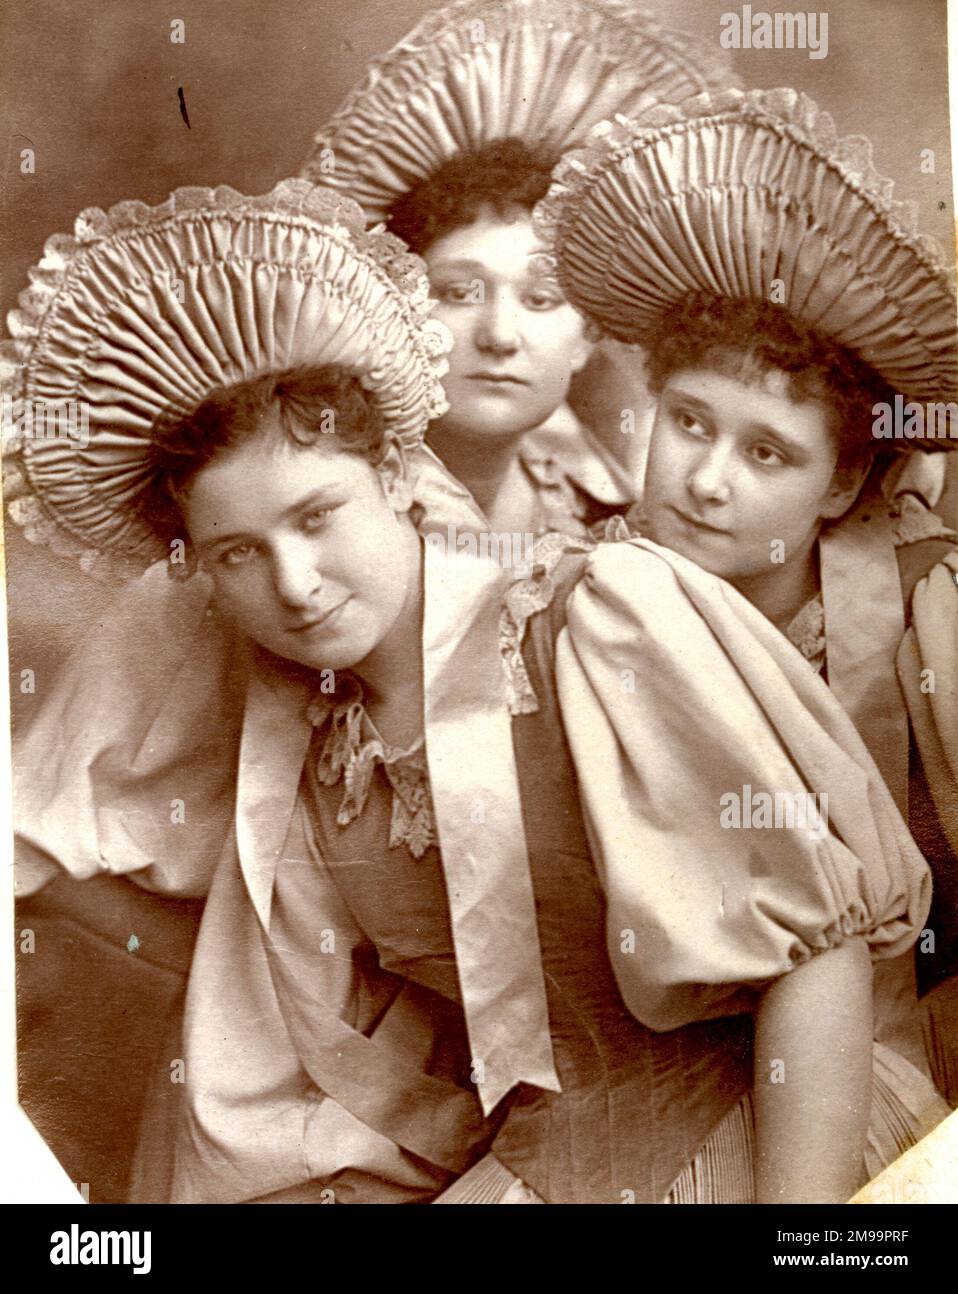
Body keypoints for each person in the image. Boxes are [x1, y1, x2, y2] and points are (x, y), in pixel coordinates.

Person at [6, 178, 942, 1204]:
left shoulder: (598, 616)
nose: (295, 584)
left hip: (780, 1138)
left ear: (401, 475)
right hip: (553, 1162)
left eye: (318, 517)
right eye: (238, 554)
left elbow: (818, 951)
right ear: (198, 572)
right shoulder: (321, 754)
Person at [537, 85, 958, 1106]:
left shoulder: (921, 606)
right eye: (687, 422)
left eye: (766, 451)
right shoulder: (587, 598)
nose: (706, 480)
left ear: (845, 484)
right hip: (662, 1080)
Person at [300, 0, 740, 536]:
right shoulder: (322, 518)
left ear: (588, 338)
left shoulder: (607, 517)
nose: (500, 337)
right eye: (458, 292)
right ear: (393, 314)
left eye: (540, 300)